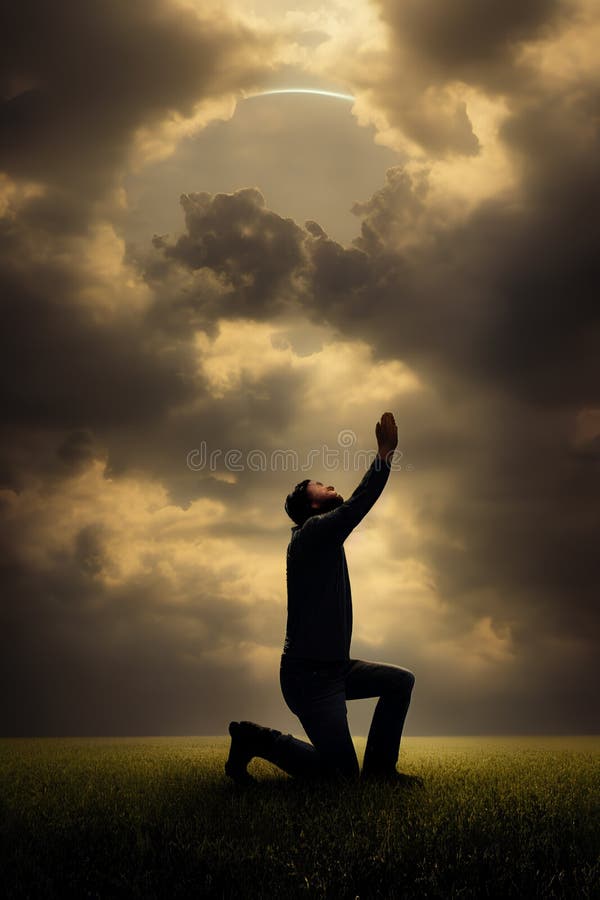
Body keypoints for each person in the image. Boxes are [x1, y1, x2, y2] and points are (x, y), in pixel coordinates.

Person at [225, 412, 421, 787]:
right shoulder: (313, 533)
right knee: (341, 777)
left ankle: (380, 772)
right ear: (310, 506)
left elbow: (349, 511)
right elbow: (357, 506)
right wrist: (383, 454)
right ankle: (256, 738)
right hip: (309, 679)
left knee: (400, 681)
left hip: (335, 669)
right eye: (320, 485)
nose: (329, 484)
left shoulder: (322, 538)